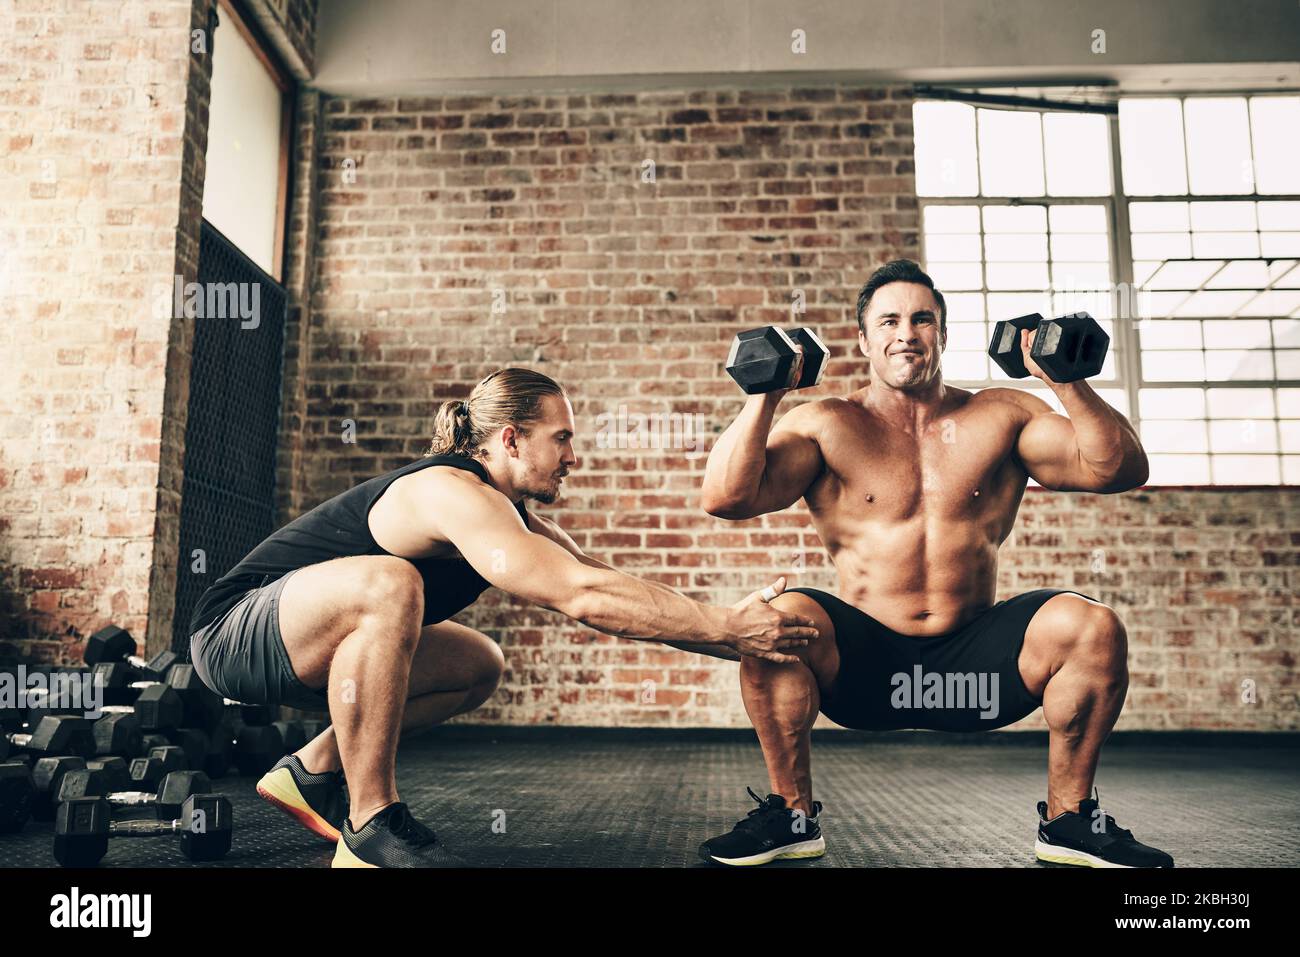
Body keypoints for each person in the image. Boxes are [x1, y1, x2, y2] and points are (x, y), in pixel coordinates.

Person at [188, 368, 817, 868]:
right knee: (390, 582)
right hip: (235, 633)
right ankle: (368, 824)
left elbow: (609, 592)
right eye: (562, 438)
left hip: (308, 646)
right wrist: (725, 627)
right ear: (511, 438)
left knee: (477, 663)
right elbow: (577, 594)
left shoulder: (512, 516)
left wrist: (751, 637)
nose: (573, 456)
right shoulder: (449, 491)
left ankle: (313, 772)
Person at [697, 259, 1173, 868]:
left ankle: (1070, 821)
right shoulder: (825, 424)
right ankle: (791, 814)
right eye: (889, 320)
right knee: (780, 619)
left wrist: (1066, 383)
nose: (907, 333)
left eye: (923, 319)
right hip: (865, 672)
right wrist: (765, 398)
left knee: (1092, 626)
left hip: (975, 670)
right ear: (863, 339)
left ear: (942, 333)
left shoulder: (1001, 416)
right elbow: (726, 498)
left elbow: (1120, 470)